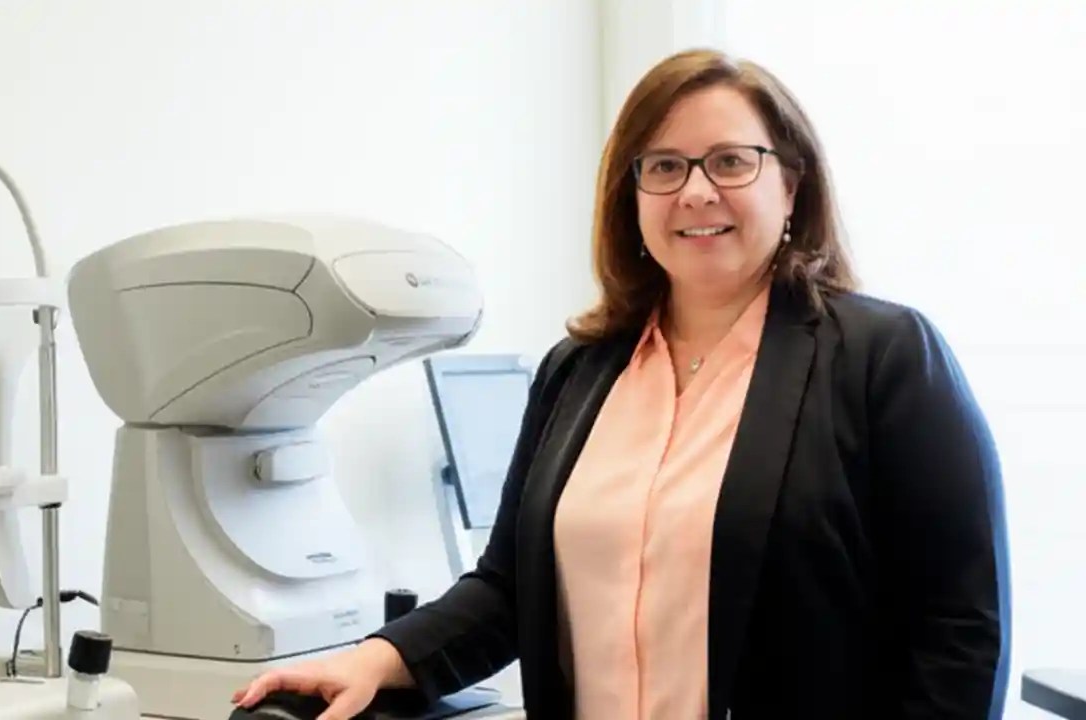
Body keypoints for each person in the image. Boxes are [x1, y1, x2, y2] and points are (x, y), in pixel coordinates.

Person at [233, 48, 1011, 720]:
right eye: (665, 166)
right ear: (631, 195)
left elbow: (960, 629)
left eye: (731, 160)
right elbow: (508, 589)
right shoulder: (578, 370)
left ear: (792, 185)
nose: (696, 192)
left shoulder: (884, 355)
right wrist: (375, 657)